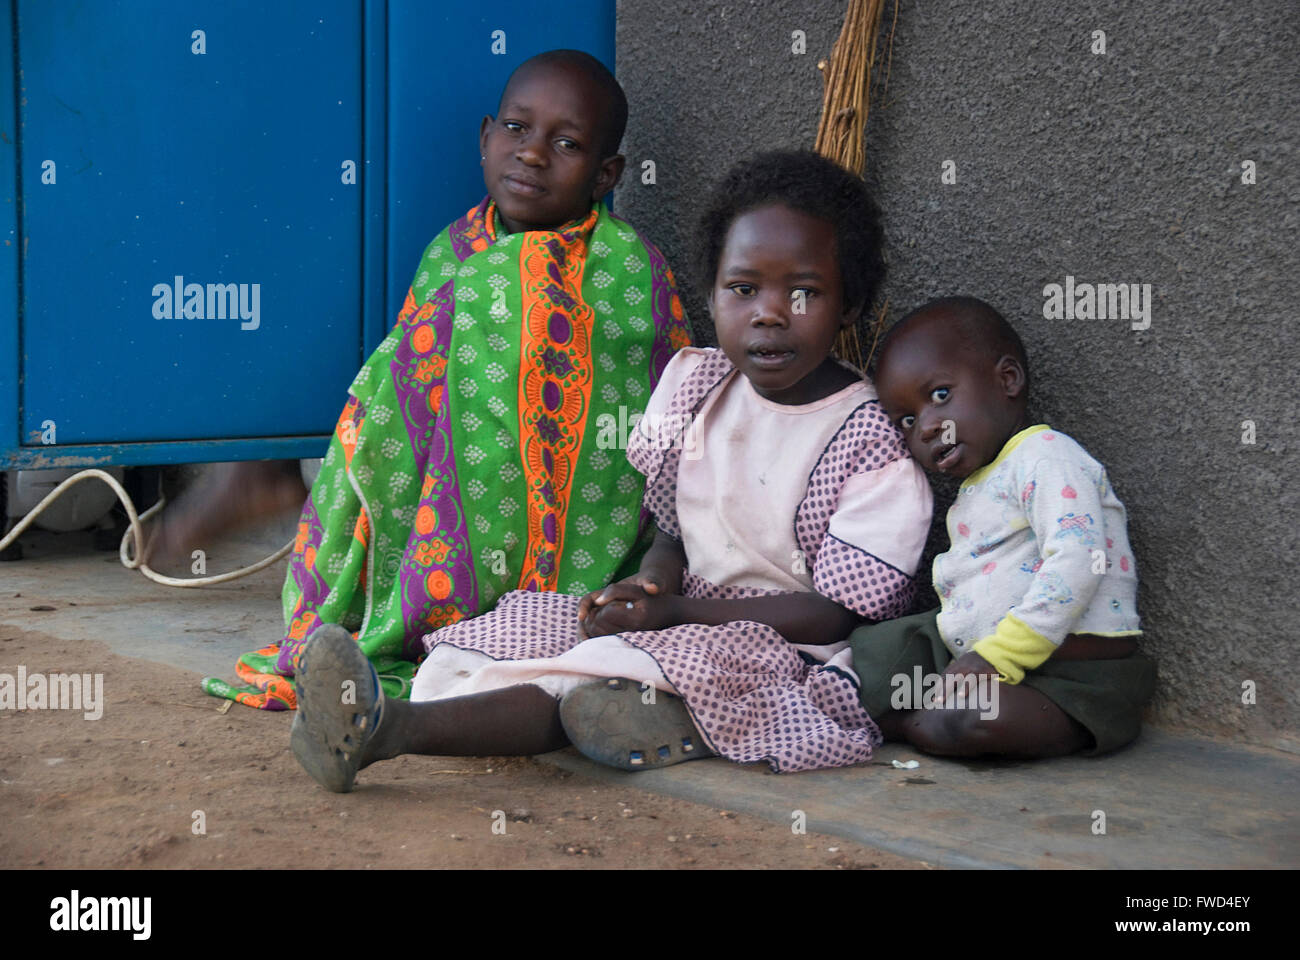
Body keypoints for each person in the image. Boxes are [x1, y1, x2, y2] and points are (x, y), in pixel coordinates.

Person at [289, 150, 934, 792]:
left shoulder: (869, 444)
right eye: (743, 289)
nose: (768, 312)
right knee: (523, 630)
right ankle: (634, 716)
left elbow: (836, 616)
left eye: (803, 293)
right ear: (712, 293)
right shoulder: (698, 387)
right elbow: (673, 534)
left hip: (786, 651)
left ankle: (386, 732)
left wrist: (674, 614)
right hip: (684, 616)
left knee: (589, 673)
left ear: (849, 305)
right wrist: (649, 590)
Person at [195, 49, 693, 710]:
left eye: (565, 143)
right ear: (486, 136)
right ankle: (408, 604)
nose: (533, 153)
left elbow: (658, 400)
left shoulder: (630, 267)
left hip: (582, 519)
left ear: (607, 174)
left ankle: (502, 611)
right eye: (517, 129)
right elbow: (403, 390)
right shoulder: (455, 247)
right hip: (448, 496)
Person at [855, 296, 1155, 757]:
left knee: (978, 720)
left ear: (1007, 379)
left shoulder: (1046, 455)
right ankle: (911, 715)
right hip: (983, 662)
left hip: (1072, 679)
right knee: (873, 657)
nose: (928, 428)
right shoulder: (977, 486)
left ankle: (916, 722)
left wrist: (998, 658)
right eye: (908, 421)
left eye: (939, 396)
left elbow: (1078, 560)